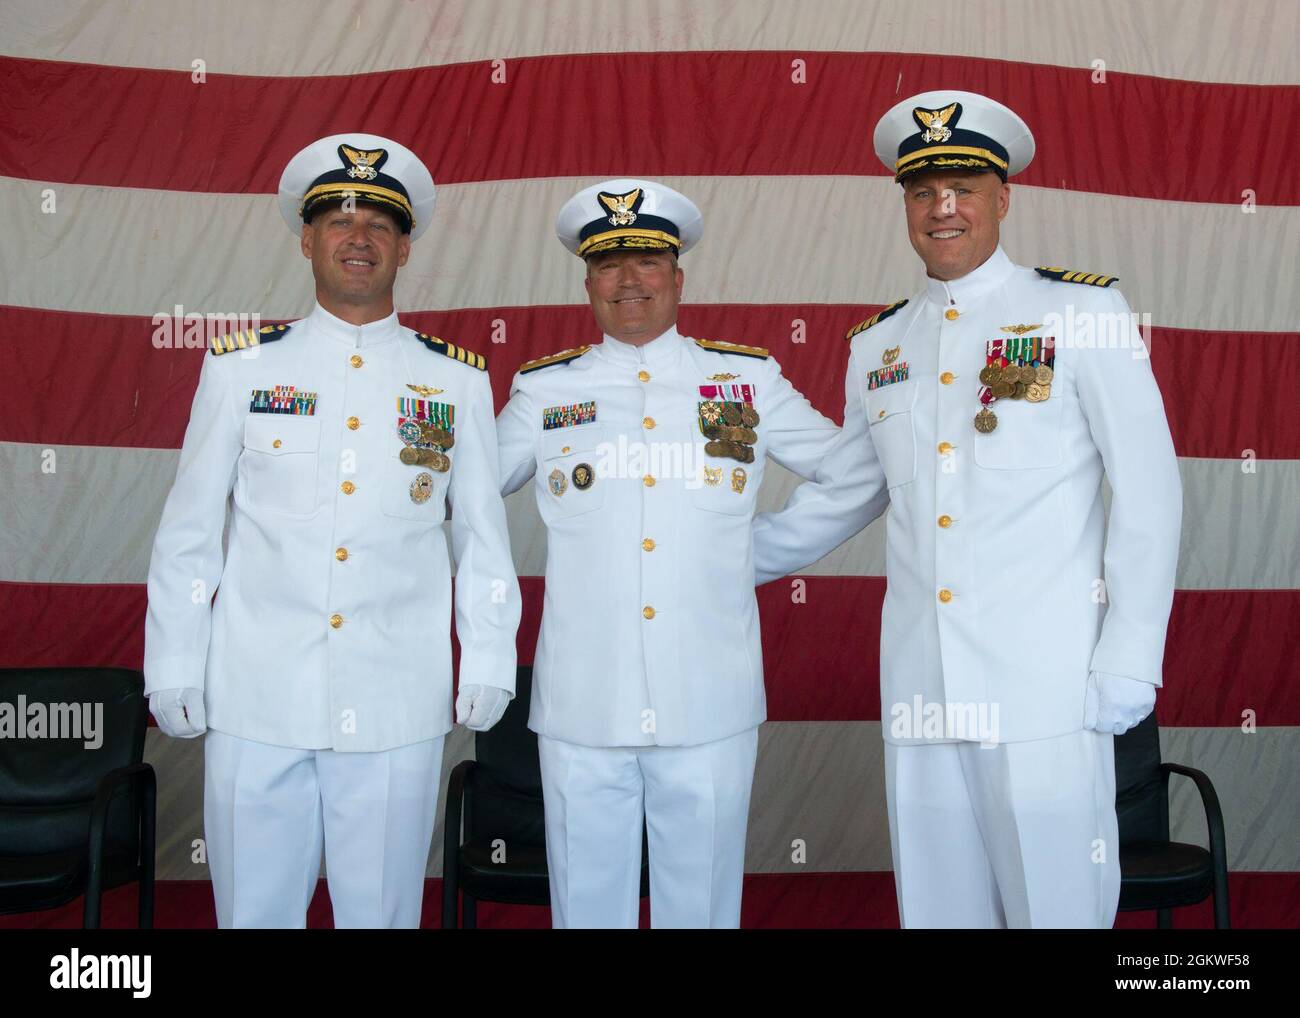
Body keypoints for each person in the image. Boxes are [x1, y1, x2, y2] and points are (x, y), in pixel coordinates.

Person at [752, 92, 1183, 928]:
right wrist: (720, 561)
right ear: (906, 206)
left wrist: (1132, 651)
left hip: (1045, 687)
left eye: (963, 188)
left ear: (1003, 196)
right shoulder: (878, 345)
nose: (942, 209)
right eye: (922, 192)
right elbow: (853, 488)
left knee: (1055, 909)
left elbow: (1149, 487)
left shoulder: (1079, 312)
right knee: (941, 913)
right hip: (921, 688)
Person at [143, 133, 520, 928]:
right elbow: (190, 530)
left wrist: (487, 650)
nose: (360, 238)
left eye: (380, 225)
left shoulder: (455, 380)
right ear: (307, 238)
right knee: (254, 916)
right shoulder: (241, 368)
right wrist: (174, 658)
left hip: (394, 701)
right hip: (256, 696)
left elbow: (481, 535)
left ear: (406, 246)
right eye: (340, 220)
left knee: (379, 918)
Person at [496, 179, 845, 927]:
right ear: (588, 281)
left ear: (678, 278)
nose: (629, 280)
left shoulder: (746, 381)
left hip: (709, 702)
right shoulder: (545, 392)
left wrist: (752, 554)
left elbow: (858, 472)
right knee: (588, 913)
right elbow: (460, 498)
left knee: (704, 913)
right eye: (610, 263)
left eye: (647, 261)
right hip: (584, 707)